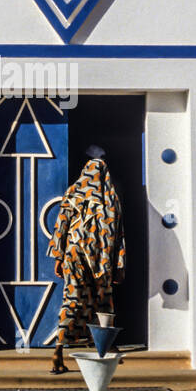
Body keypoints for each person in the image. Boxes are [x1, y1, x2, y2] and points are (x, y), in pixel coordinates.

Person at [46, 146, 126, 374]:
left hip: (75, 254)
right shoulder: (111, 200)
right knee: (102, 302)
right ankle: (104, 346)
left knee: (72, 300)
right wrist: (119, 265)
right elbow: (119, 236)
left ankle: (59, 349)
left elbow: (60, 227)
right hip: (101, 259)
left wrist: (58, 256)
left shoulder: (73, 194)